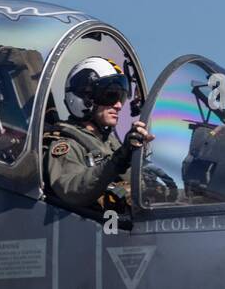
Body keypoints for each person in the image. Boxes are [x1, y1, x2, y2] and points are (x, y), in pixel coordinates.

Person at [44, 57, 153, 213]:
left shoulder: (111, 143)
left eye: (121, 96)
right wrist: (119, 159)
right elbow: (71, 189)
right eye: (111, 96)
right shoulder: (66, 144)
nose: (119, 105)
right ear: (85, 98)